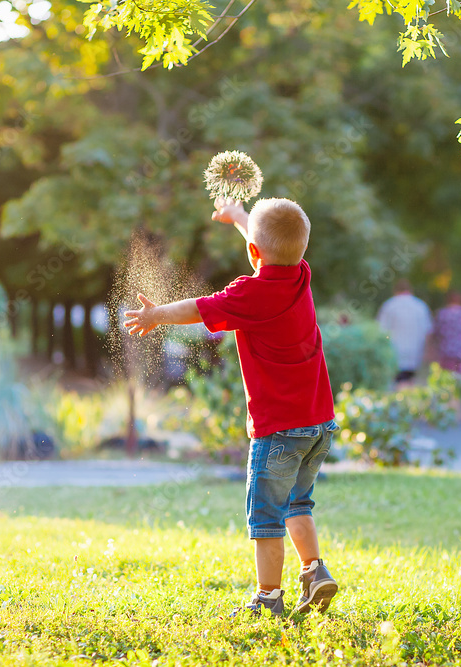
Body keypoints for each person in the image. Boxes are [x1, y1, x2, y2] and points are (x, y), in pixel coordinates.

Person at [123, 195, 339, 617]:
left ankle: (268, 597)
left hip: (278, 430)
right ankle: (314, 572)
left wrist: (156, 315)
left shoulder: (249, 294)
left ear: (254, 252)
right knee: (298, 503)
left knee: (266, 517)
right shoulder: (300, 277)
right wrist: (241, 217)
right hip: (318, 424)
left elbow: (198, 309)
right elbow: (269, 248)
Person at [376, 279, 433, 382]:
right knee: (410, 381)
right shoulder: (420, 306)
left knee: (397, 382)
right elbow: (427, 331)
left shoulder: (389, 305)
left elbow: (381, 330)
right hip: (415, 351)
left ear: (395, 290)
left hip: (394, 351)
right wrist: (425, 350)